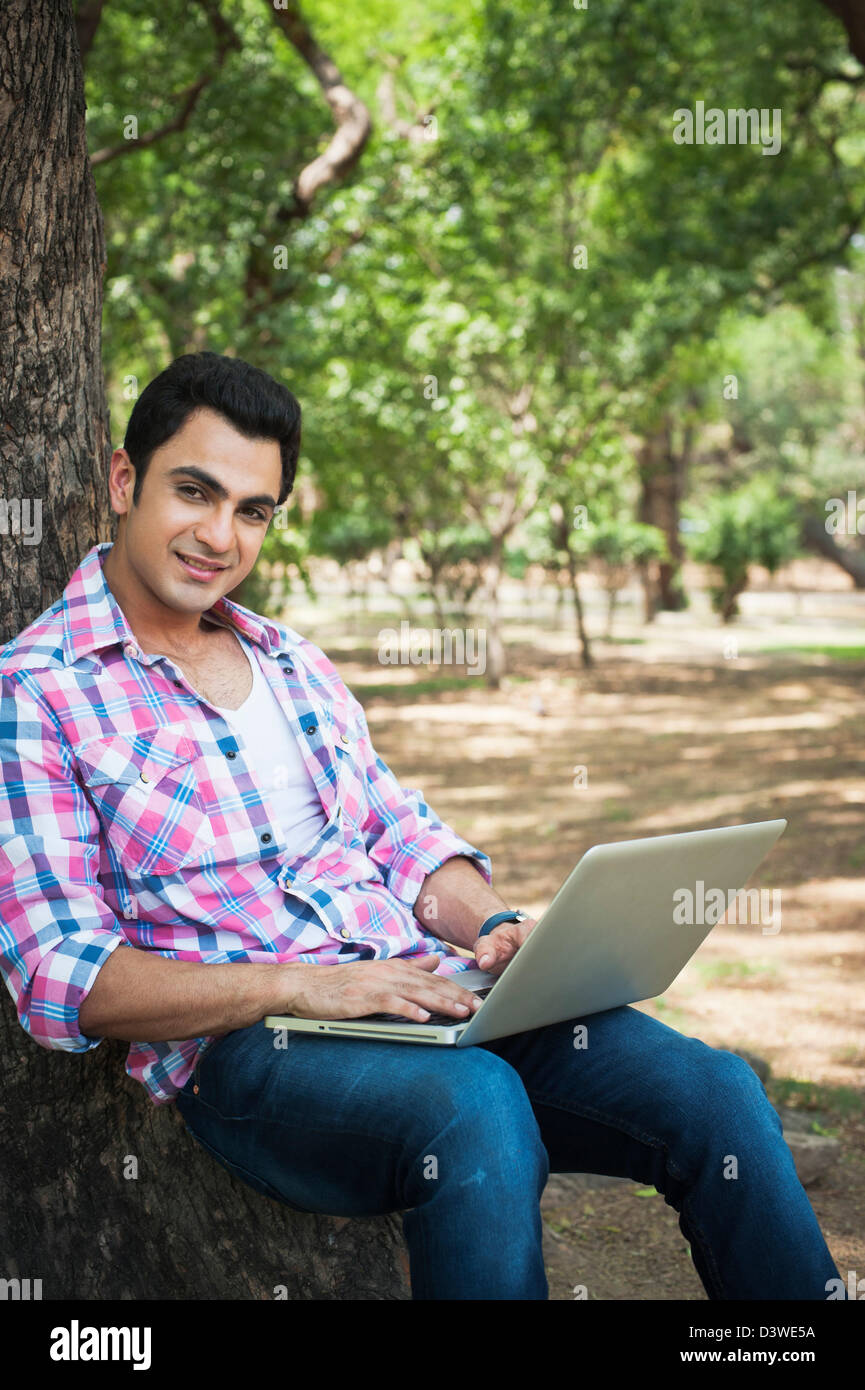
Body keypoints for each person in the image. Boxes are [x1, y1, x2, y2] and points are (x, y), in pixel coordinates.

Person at [0, 353, 844, 1301]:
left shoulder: (291, 663)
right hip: (253, 1051)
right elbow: (61, 976)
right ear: (124, 481)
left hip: (425, 997)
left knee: (713, 1090)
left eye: (252, 510)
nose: (218, 535)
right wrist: (307, 987)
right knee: (472, 1106)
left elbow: (398, 834)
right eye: (193, 492)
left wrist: (488, 926)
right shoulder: (37, 692)